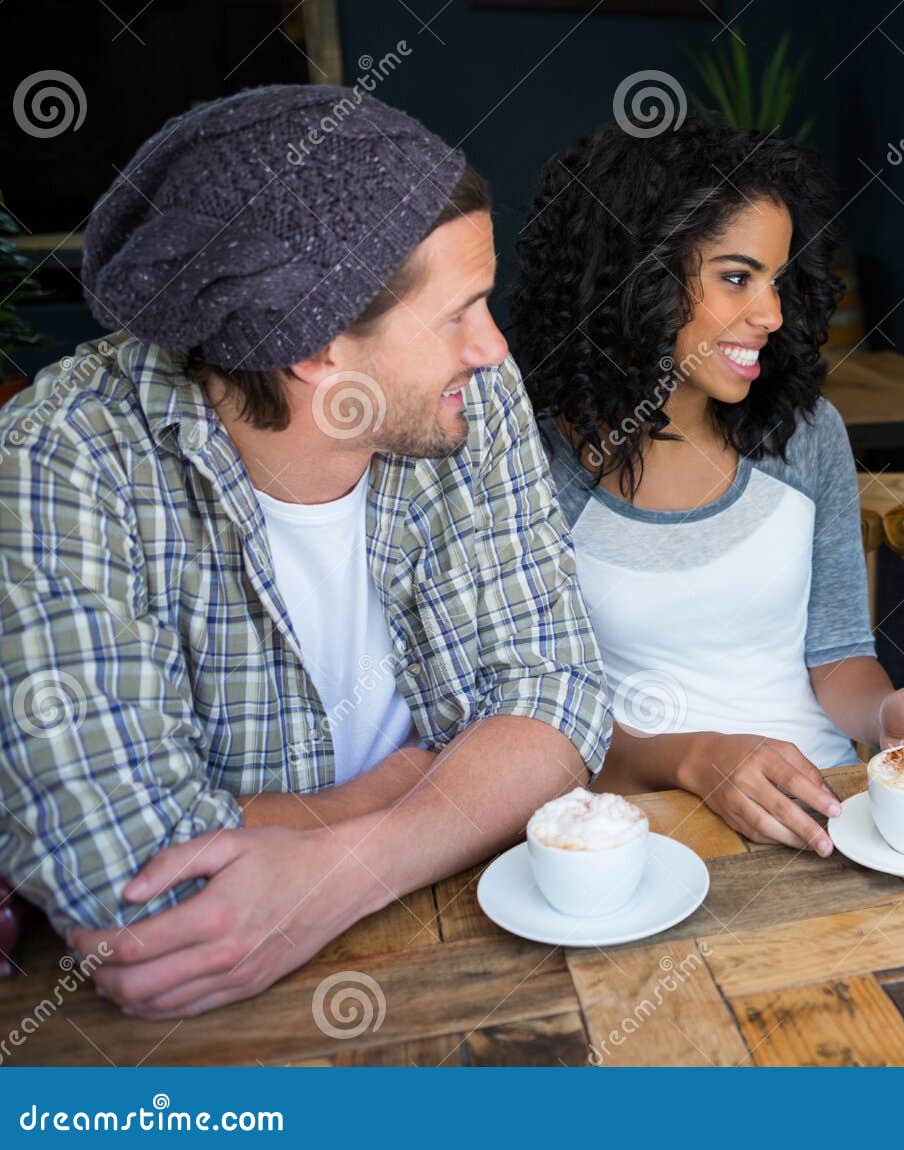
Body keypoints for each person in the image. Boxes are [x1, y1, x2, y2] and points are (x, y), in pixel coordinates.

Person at [0, 87, 611, 1017]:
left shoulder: (469, 400)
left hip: (464, 952)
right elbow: (132, 876)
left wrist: (349, 861)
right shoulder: (62, 459)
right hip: (204, 1029)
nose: (491, 347)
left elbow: (560, 694)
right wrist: (419, 777)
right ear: (315, 350)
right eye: (459, 313)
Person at [510, 118, 904, 856]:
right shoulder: (536, 465)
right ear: (638, 274)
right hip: (636, 835)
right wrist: (697, 757)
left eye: (777, 280)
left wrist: (889, 715)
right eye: (737, 278)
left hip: (822, 810)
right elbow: (532, 724)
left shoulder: (806, 434)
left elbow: (837, 659)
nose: (772, 314)